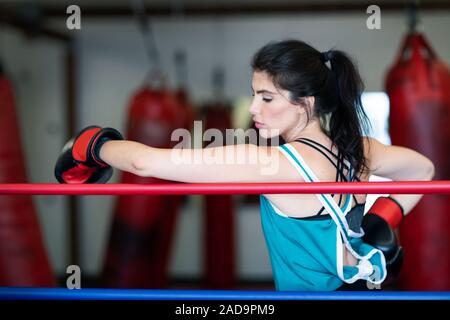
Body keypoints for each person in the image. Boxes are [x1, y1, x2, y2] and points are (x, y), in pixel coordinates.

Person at [55, 39, 435, 291]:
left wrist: (92, 146)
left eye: (267, 98)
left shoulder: (270, 164)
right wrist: (382, 217)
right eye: (254, 95)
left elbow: (144, 160)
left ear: (306, 102)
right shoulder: (361, 150)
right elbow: (423, 171)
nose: (253, 109)